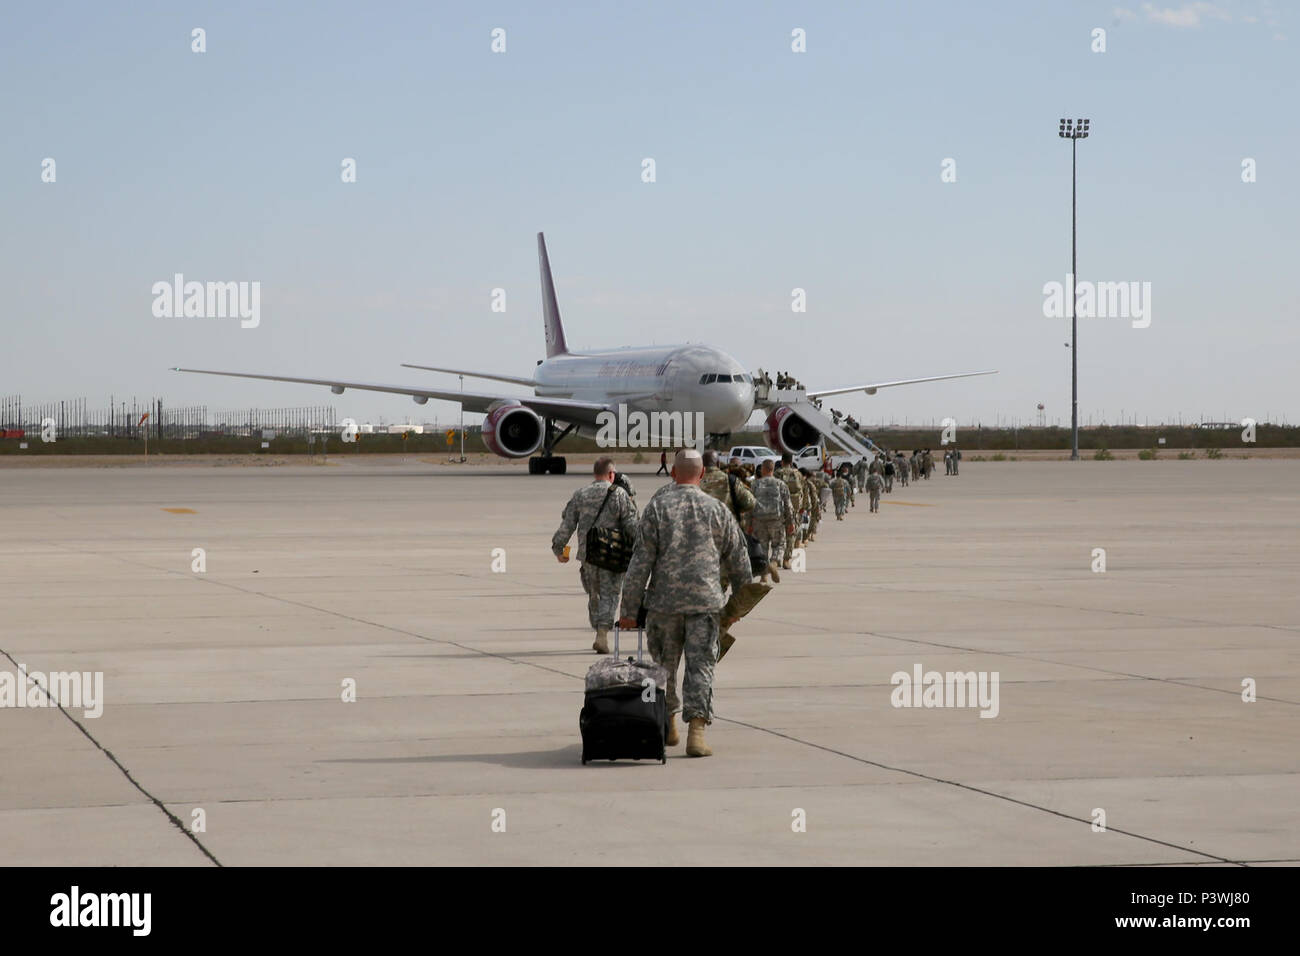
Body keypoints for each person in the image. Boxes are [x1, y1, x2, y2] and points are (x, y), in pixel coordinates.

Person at [617, 449, 752, 757]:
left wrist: (627, 612)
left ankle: (669, 723)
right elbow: (740, 561)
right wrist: (738, 608)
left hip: (664, 605)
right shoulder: (717, 509)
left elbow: (640, 564)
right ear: (702, 474)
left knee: (663, 667)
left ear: (673, 473)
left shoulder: (657, 508)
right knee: (701, 666)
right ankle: (697, 733)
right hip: (705, 604)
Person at [552, 457, 638, 654]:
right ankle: (602, 632)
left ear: (595, 474)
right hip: (612, 555)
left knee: (594, 594)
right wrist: (643, 547)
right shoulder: (620, 495)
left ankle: (598, 627)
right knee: (611, 594)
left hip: (588, 555)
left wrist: (560, 550)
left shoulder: (580, 494)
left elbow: (567, 525)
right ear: (611, 474)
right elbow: (632, 526)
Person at [749, 459, 793, 583]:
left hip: (759, 521)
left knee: (762, 547)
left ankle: (764, 576)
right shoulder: (780, 484)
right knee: (779, 544)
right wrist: (791, 523)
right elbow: (788, 505)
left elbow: (749, 505)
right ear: (772, 469)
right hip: (776, 520)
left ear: (763, 469)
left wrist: (749, 524)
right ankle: (774, 563)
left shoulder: (755, 484)